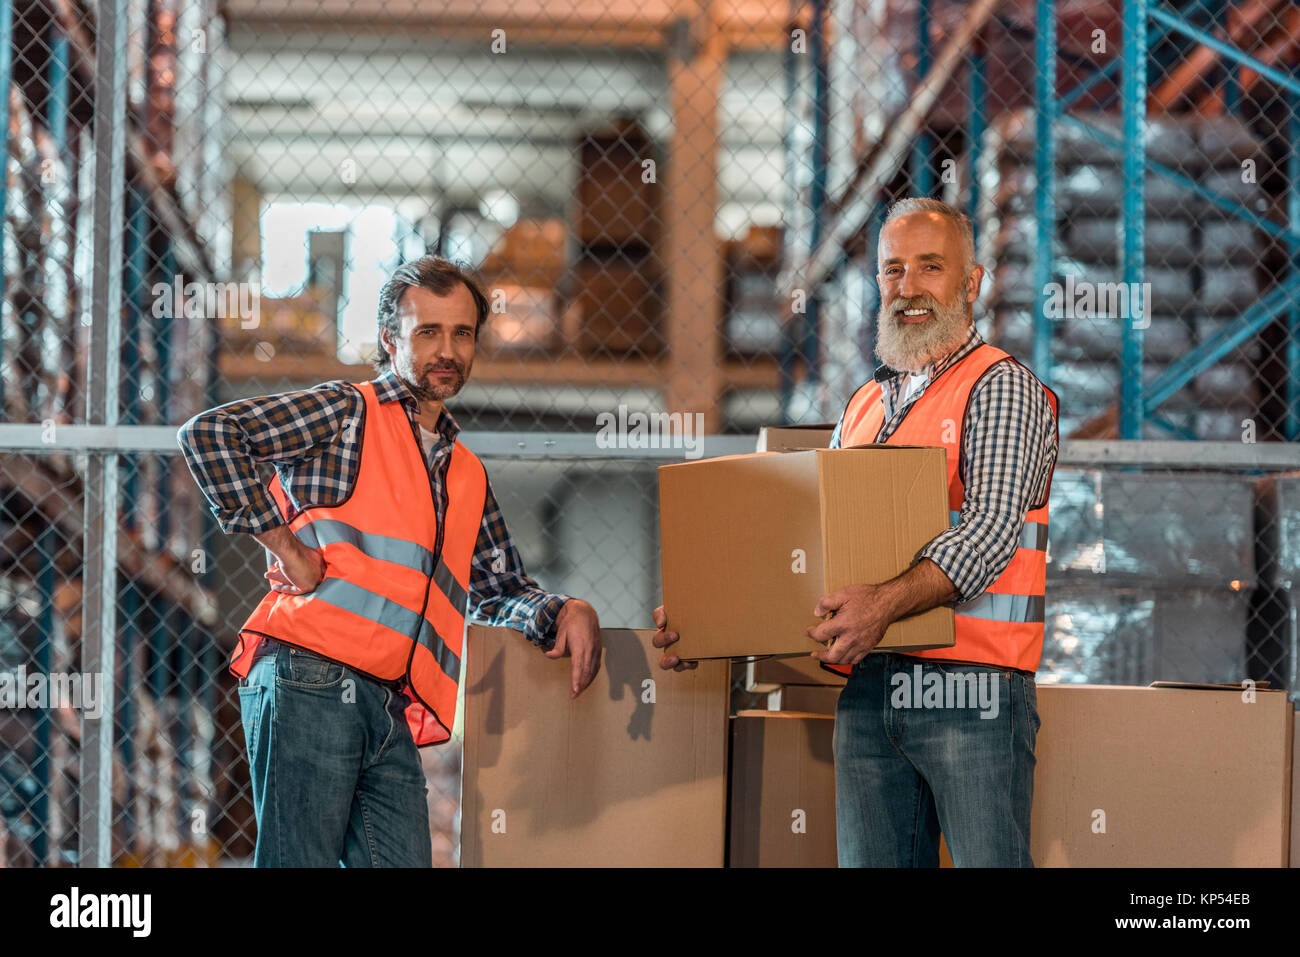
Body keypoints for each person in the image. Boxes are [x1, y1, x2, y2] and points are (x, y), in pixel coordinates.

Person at [655, 197, 1058, 867]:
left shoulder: (1001, 386)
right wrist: (711, 621)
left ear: (973, 282)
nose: (909, 287)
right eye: (892, 270)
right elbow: (808, 550)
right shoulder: (865, 406)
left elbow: (989, 534)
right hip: (871, 690)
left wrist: (882, 602)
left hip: (975, 692)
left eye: (931, 267)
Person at [178, 255, 602, 867]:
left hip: (386, 702)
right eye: (427, 332)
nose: (446, 350)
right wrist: (286, 547)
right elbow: (210, 436)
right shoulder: (347, 413)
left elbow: (500, 586)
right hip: (309, 675)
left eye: (461, 333)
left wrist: (565, 610)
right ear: (389, 338)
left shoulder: (465, 473)